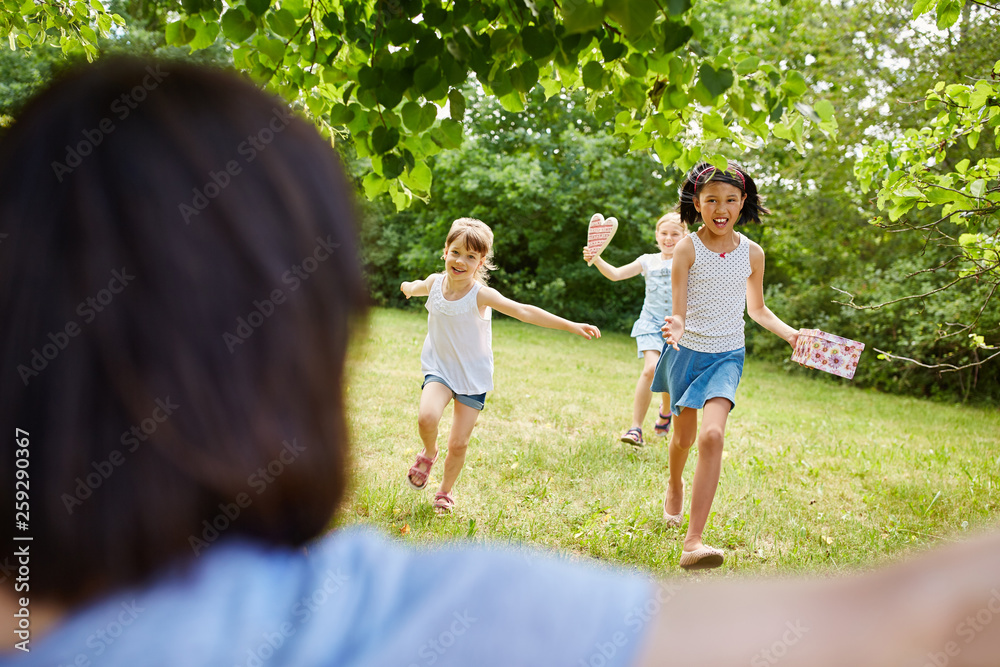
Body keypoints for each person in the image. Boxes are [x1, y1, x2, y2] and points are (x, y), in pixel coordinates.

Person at [3, 58, 1000, 667]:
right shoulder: (388, 624)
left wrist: (790, 339)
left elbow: (750, 307)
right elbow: (916, 624)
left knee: (694, 432)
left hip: (715, 355)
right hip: (677, 356)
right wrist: (599, 261)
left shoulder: (737, 257)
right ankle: (660, 486)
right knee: (673, 424)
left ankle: (675, 513)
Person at [651, 162, 799, 570]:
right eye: (711, 199)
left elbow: (759, 309)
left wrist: (790, 334)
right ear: (696, 204)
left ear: (742, 202)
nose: (721, 207)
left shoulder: (753, 253)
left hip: (728, 356)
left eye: (730, 200)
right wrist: (676, 324)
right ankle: (674, 482)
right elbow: (678, 308)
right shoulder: (687, 248)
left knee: (712, 436)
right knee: (683, 440)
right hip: (686, 353)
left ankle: (693, 542)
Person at [401, 219, 600, 512]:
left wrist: (571, 325)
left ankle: (444, 492)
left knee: (459, 443)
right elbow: (416, 286)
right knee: (426, 418)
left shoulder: (480, 294)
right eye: (456, 252)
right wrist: (406, 287)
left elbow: (523, 311)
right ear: (445, 251)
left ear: (481, 262)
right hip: (440, 369)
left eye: (470, 256)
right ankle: (429, 452)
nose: (461, 261)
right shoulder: (434, 283)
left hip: (473, 376)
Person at [582, 212, 687, 446]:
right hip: (650, 324)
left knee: (669, 377)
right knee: (651, 369)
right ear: (657, 235)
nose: (668, 238)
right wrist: (597, 258)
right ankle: (635, 428)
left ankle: (666, 411)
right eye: (664, 233)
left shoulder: (688, 259)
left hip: (677, 327)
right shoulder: (648, 260)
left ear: (684, 236)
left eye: (675, 234)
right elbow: (617, 274)